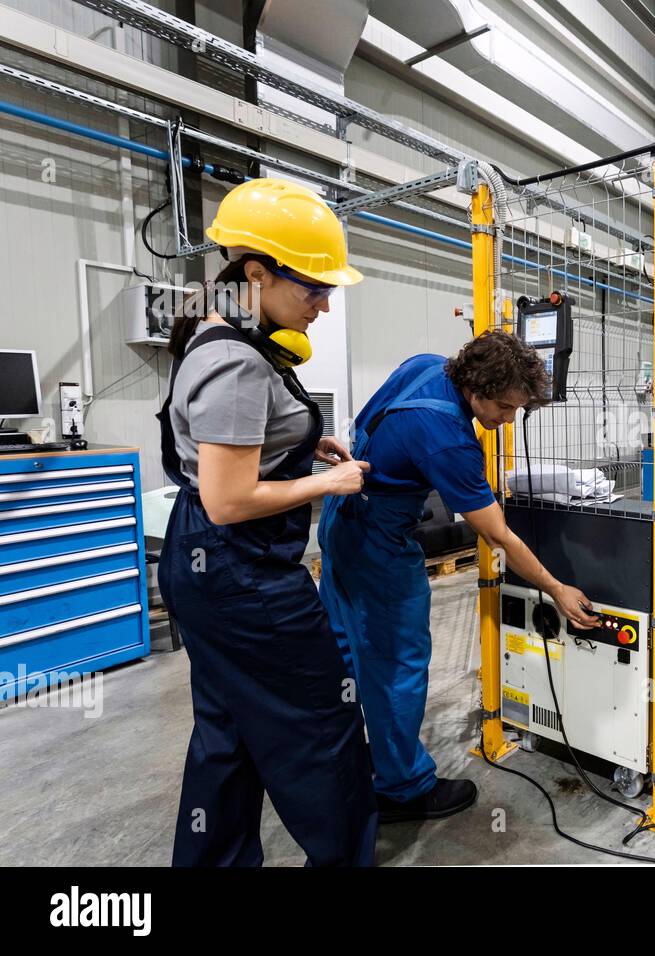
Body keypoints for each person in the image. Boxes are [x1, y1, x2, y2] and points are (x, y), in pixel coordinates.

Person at [158, 178, 377, 866]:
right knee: (322, 724)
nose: (324, 303)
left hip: (205, 563)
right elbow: (229, 500)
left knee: (229, 728)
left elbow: (222, 449)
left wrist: (299, 442)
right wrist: (330, 482)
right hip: (241, 571)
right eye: (313, 288)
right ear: (257, 273)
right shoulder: (236, 364)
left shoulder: (219, 332)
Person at [318, 331, 600, 824]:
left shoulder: (426, 365)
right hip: (378, 547)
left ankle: (344, 763)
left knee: (344, 655)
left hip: (339, 523)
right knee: (396, 667)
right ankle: (402, 789)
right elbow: (498, 537)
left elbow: (370, 422)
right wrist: (556, 589)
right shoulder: (449, 439)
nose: (509, 420)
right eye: (507, 407)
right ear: (476, 389)